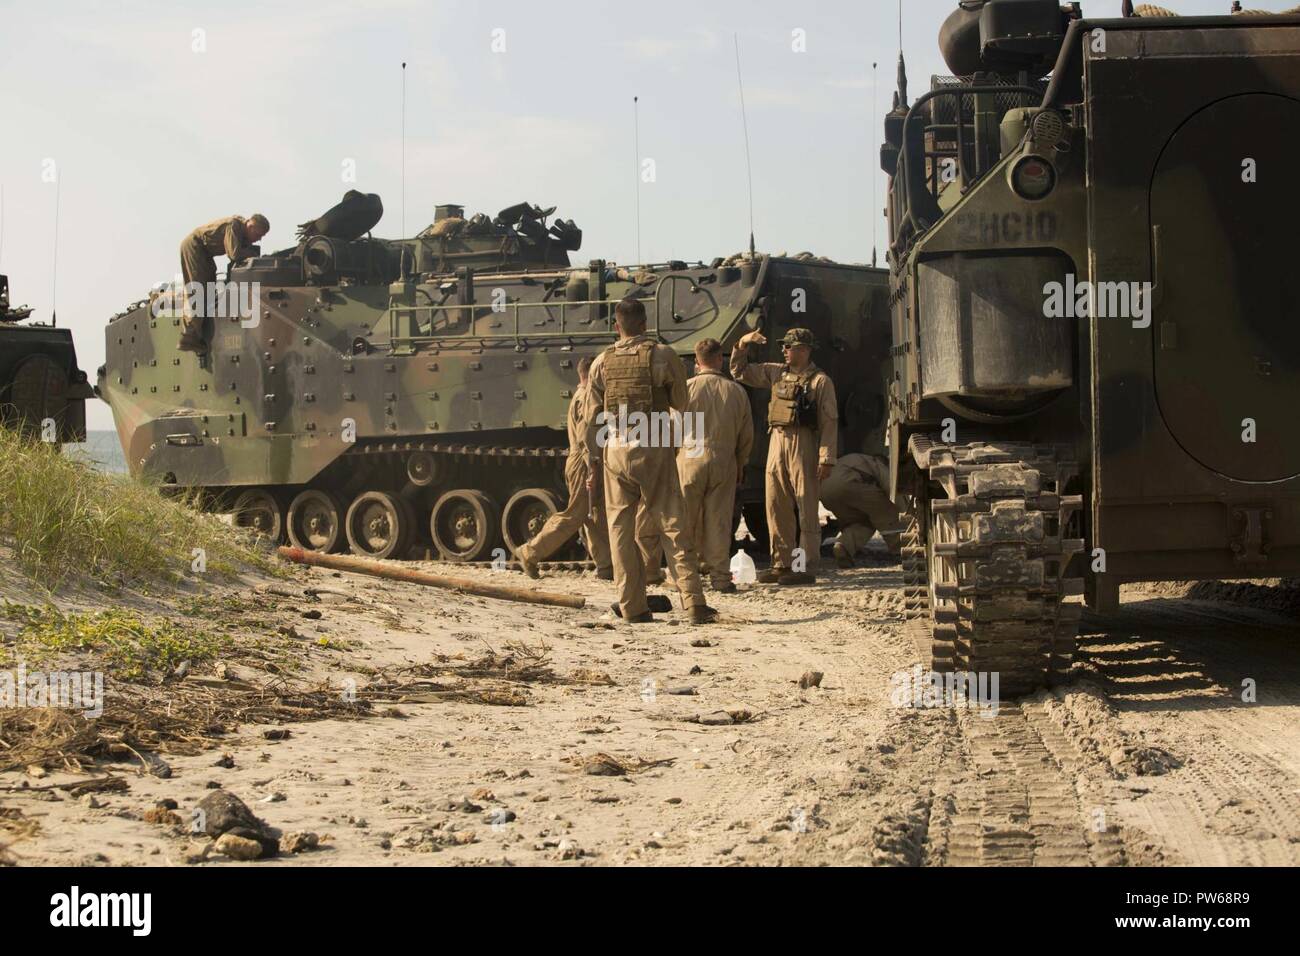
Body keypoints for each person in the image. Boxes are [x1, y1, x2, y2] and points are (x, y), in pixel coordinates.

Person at [585, 297, 716, 625]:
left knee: (619, 528)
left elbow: (591, 415)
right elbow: (680, 401)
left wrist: (592, 456)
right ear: (645, 323)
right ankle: (694, 603)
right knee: (672, 523)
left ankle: (632, 606)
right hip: (653, 442)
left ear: (617, 326)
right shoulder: (662, 354)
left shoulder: (602, 361)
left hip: (614, 446)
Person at [730, 327, 837, 585]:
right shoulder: (777, 372)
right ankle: (781, 564)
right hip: (777, 440)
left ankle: (803, 567)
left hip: (804, 442)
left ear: (805, 349)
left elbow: (829, 420)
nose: (785, 351)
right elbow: (739, 371)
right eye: (785, 346)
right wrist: (742, 343)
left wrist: (826, 457)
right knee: (775, 504)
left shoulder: (820, 381)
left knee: (805, 506)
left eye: (790, 347)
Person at [514, 356, 612, 580]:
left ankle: (606, 565)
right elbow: (588, 437)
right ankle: (530, 552)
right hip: (585, 460)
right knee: (575, 514)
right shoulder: (588, 396)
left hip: (581, 459)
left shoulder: (581, 394)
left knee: (594, 514)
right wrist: (593, 468)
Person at [678, 338, 754, 593]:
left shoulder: (684, 390)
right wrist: (740, 462)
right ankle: (720, 578)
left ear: (696, 361)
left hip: (690, 458)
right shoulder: (736, 391)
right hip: (724, 460)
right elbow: (746, 435)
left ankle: (687, 579)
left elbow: (671, 429)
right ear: (720, 359)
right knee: (719, 521)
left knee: (686, 521)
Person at [178, 213, 270, 351]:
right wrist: (252, 254)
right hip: (194, 247)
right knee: (198, 289)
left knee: (210, 289)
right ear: (250, 226)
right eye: (258, 235)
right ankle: (189, 337)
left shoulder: (241, 231)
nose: (259, 239)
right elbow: (234, 254)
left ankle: (198, 333)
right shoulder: (233, 226)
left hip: (205, 252)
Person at [819, 453, 903, 567]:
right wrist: (907, 511)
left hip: (825, 492)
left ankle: (844, 546)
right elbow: (891, 486)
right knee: (885, 512)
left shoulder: (851, 459)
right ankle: (900, 551)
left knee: (862, 521)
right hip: (849, 482)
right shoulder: (878, 463)